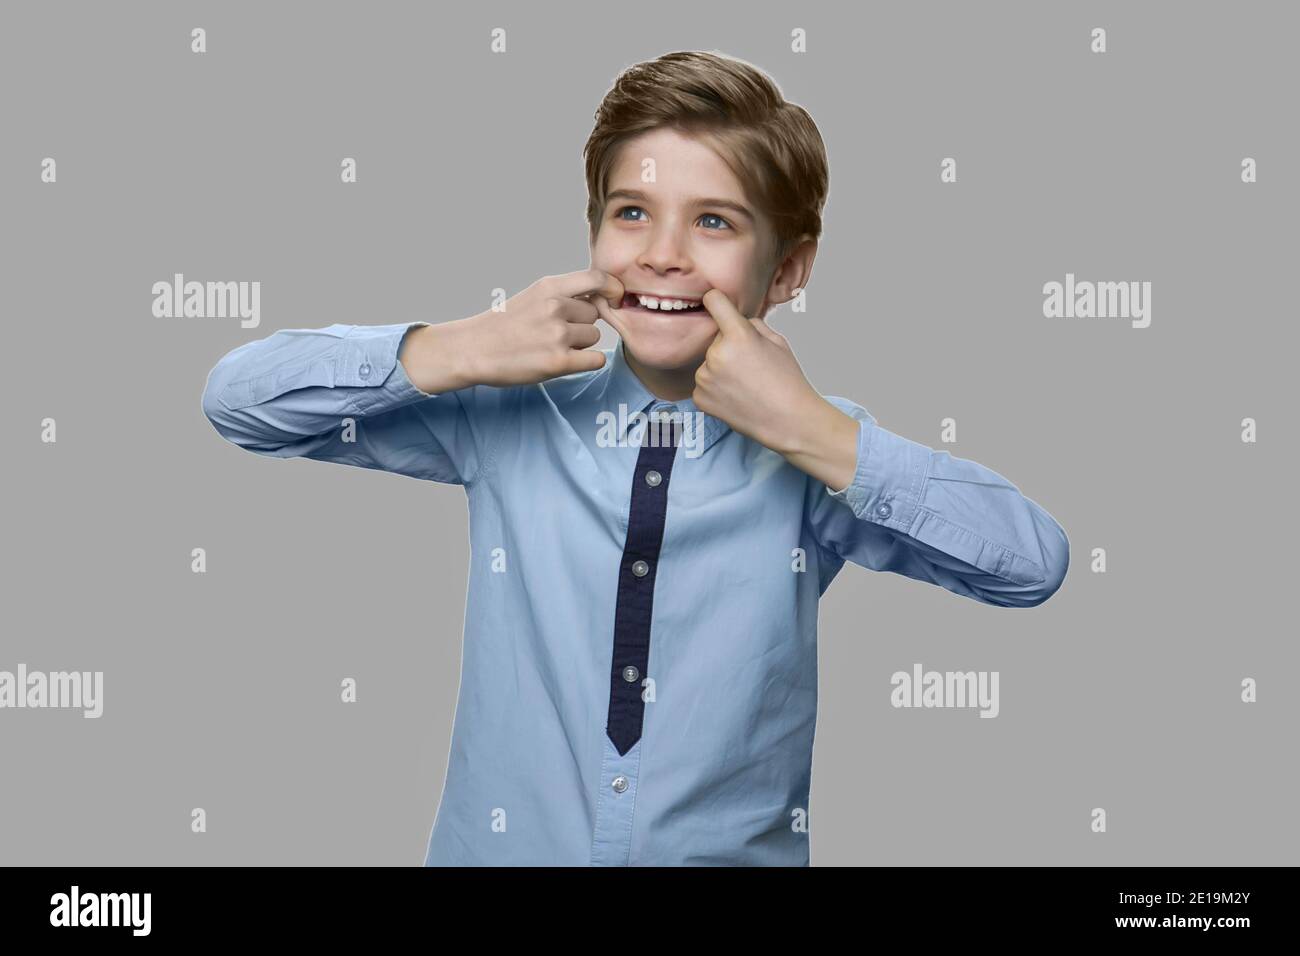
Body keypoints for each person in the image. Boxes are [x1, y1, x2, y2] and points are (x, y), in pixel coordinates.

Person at [201, 50, 1069, 866]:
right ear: (594, 234)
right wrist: (463, 346)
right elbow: (239, 403)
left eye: (715, 221)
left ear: (788, 269)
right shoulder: (511, 400)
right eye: (632, 213)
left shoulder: (818, 448)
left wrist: (808, 427)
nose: (663, 253)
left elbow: (1030, 565)